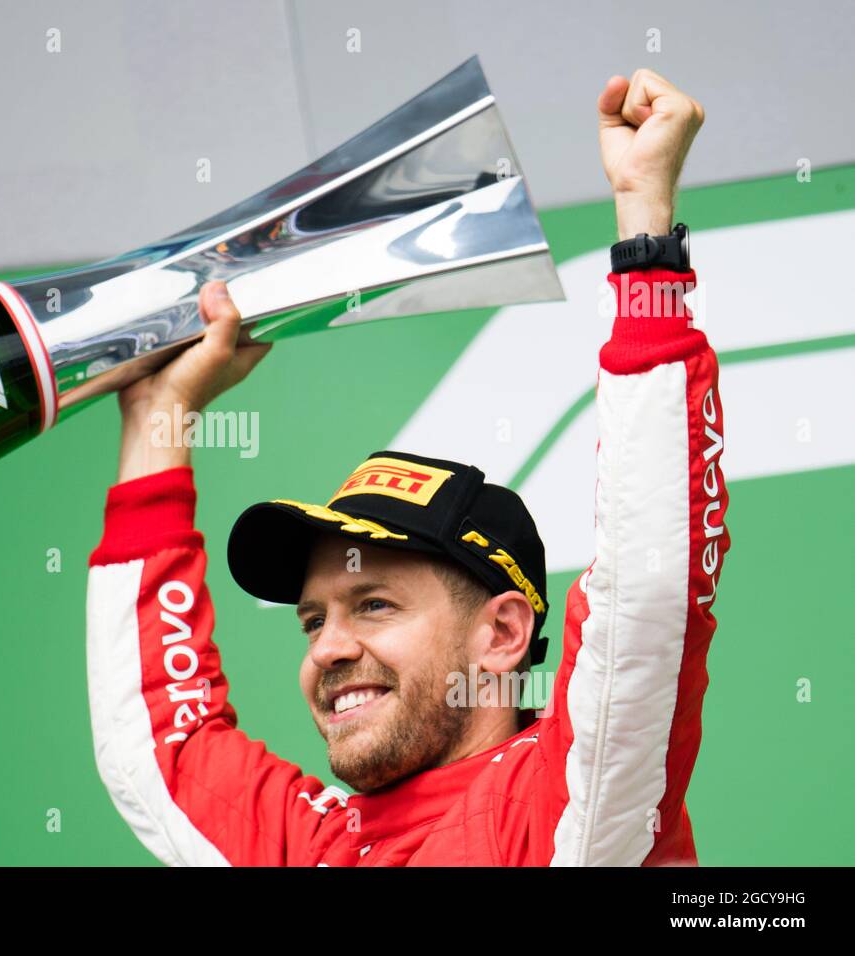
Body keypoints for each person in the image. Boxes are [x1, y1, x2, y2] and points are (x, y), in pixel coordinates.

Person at [85, 69, 725, 866]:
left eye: (374, 604)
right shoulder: (314, 847)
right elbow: (159, 746)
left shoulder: (562, 807)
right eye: (315, 619)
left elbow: (647, 600)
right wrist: (156, 422)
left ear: (500, 633)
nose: (326, 649)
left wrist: (647, 239)